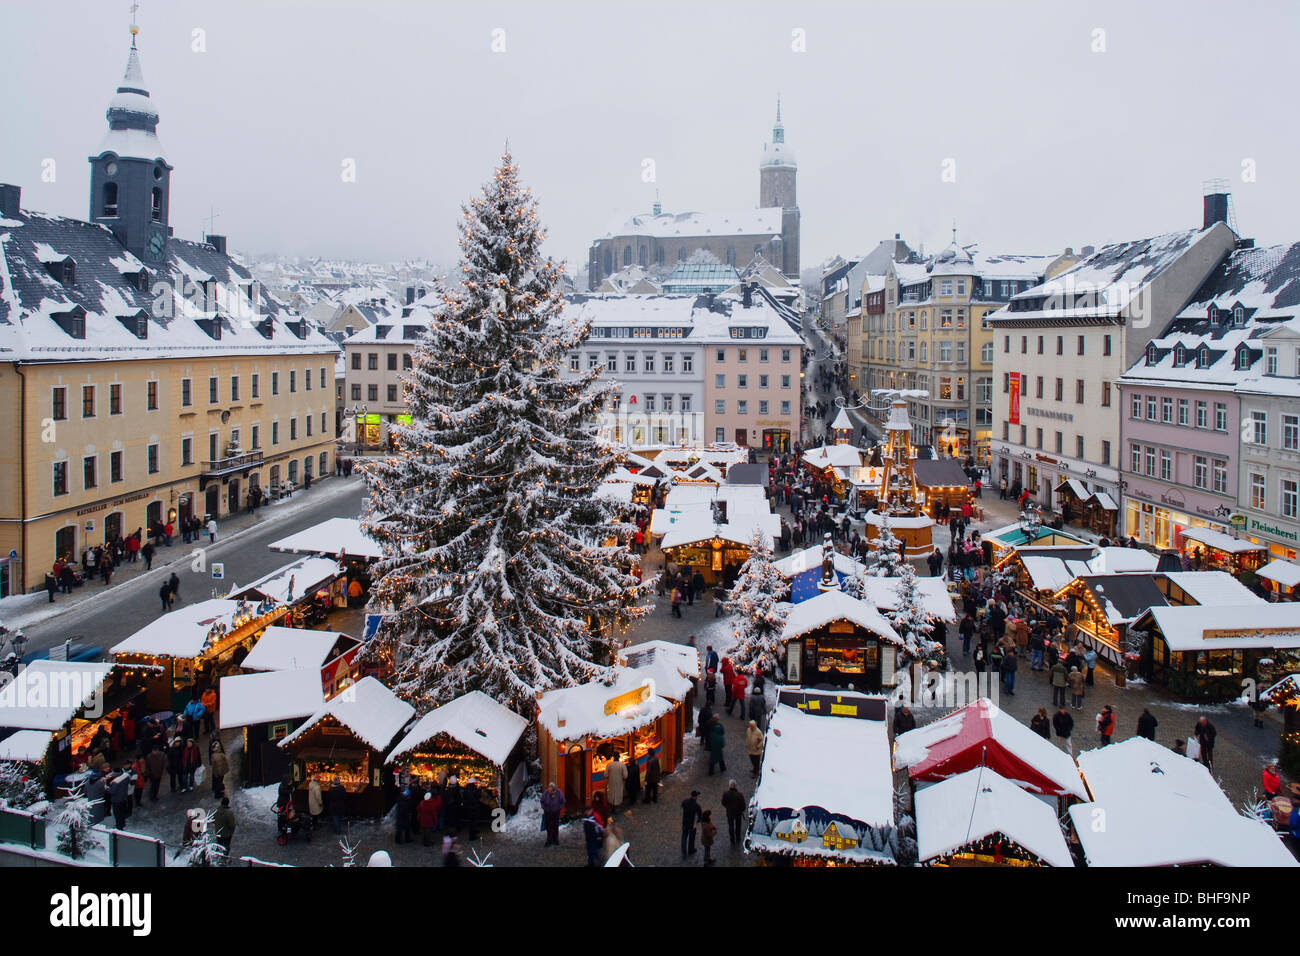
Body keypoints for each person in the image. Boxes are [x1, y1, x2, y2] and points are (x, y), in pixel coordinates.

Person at [721, 780, 746, 845]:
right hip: (738, 813)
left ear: (729, 786)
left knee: (731, 826)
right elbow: (743, 805)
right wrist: (741, 810)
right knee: (738, 825)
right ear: (735, 786)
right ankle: (738, 837)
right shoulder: (739, 795)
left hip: (730, 813)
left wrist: (728, 807)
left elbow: (723, 803)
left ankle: (732, 839)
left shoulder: (725, 794)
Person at [540, 781, 565, 845]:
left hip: (555, 813)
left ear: (554, 789)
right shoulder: (545, 793)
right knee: (548, 827)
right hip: (548, 813)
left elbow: (563, 801)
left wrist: (559, 808)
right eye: (549, 788)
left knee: (555, 826)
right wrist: (544, 808)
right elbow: (542, 801)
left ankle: (555, 839)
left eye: (550, 789)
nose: (549, 790)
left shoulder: (559, 793)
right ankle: (549, 840)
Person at [681, 790, 702, 857]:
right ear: (696, 797)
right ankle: (691, 850)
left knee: (684, 837)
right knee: (691, 837)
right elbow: (700, 816)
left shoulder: (685, 801)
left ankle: (684, 851)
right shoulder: (697, 806)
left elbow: (682, 805)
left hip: (685, 822)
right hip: (692, 824)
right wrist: (698, 821)